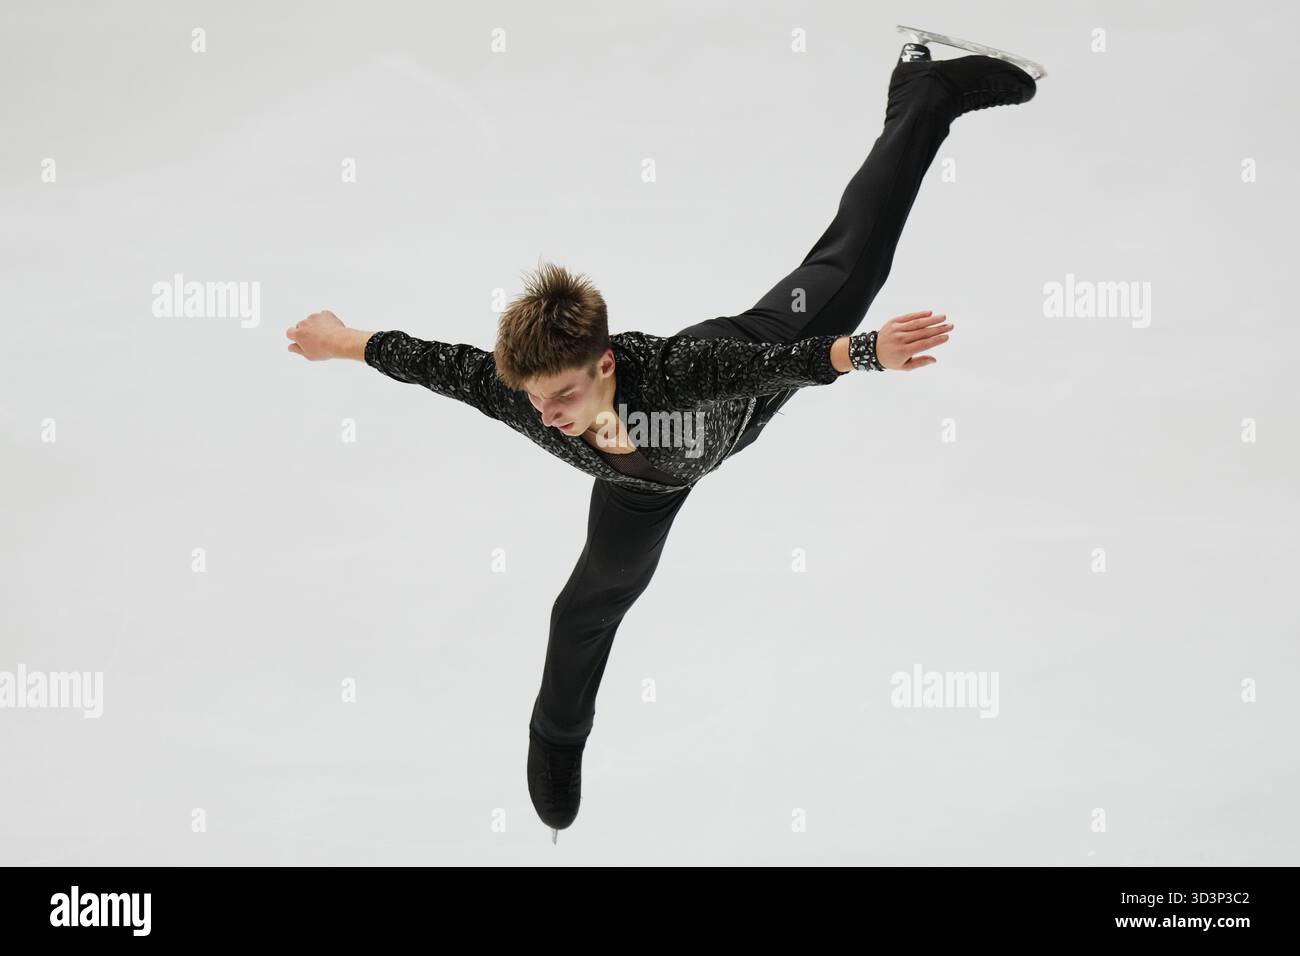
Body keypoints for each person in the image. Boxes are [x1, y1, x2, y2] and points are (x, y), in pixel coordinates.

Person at [286, 31, 1042, 841]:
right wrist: (341, 340)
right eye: (537, 400)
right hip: (647, 484)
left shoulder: (680, 372)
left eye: (565, 393)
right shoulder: (529, 399)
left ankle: (924, 96)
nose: (550, 416)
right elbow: (431, 361)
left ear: (606, 365)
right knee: (582, 610)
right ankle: (556, 744)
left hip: (751, 372)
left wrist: (865, 353)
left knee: (854, 265)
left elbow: (781, 362)